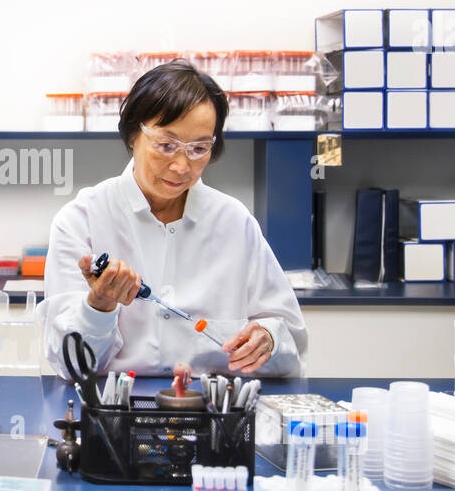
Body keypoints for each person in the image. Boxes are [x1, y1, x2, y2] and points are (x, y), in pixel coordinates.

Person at [38, 59, 307, 381]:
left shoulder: (234, 222)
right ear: (133, 134)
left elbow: (291, 341)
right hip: (116, 410)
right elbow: (69, 367)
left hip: (211, 410)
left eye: (199, 148)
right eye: (166, 145)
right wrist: (99, 305)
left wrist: (269, 337)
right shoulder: (82, 220)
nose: (182, 166)